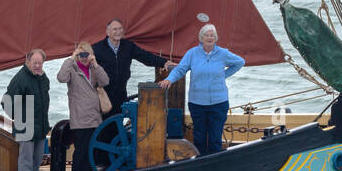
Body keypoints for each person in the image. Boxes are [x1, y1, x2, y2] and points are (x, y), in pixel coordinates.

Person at [160, 23, 245, 155]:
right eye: (207, 35)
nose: (209, 37)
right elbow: (180, 70)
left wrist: (224, 75)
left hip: (219, 103)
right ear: (201, 37)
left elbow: (240, 62)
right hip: (197, 103)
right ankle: (200, 165)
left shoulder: (223, 54)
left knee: (215, 139)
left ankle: (214, 167)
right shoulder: (192, 54)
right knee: (199, 138)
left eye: (212, 35)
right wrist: (169, 79)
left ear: (215, 38)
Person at [92, 19, 176, 117]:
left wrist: (163, 62)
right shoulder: (97, 48)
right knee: (104, 123)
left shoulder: (128, 46)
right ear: (107, 32)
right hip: (104, 93)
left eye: (120, 29)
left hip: (121, 91)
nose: (118, 32)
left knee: (118, 121)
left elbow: (145, 56)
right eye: (115, 29)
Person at [56, 41, 110, 171]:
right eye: (81, 54)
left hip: (95, 117)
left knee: (92, 150)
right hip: (80, 118)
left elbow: (105, 81)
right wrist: (71, 58)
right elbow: (61, 77)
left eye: (86, 53)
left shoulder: (93, 69)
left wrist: (96, 64)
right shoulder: (72, 70)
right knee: (81, 150)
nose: (84, 57)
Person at [3, 48, 51, 171]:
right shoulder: (21, 78)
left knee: (37, 161)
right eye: (35, 63)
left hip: (41, 126)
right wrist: (19, 119)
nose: (37, 66)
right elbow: (6, 101)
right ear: (28, 61)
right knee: (26, 161)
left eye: (40, 63)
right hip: (25, 127)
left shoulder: (43, 77)